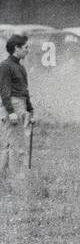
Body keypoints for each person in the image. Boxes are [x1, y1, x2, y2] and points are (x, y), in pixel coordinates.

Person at [0, 34, 33, 173]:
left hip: (22, 106)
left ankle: (5, 177)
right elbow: (4, 91)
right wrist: (11, 111)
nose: (28, 50)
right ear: (16, 48)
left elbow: (25, 90)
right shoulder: (5, 66)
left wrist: (30, 110)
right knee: (15, 144)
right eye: (25, 47)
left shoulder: (20, 67)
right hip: (12, 107)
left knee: (13, 143)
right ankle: (18, 178)